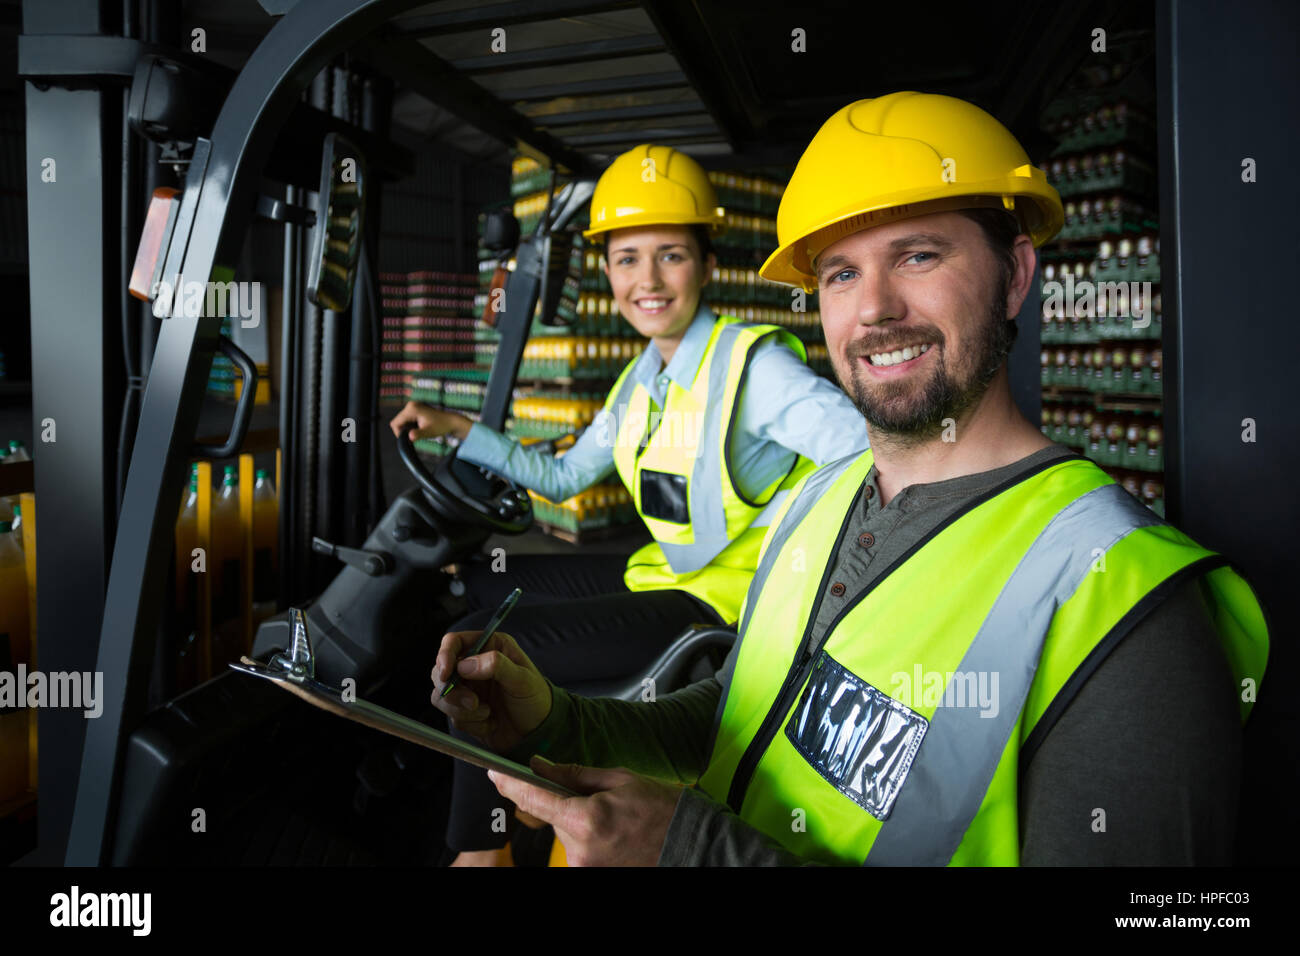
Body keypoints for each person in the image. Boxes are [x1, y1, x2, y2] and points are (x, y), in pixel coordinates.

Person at [428, 92, 1269, 866]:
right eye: (840, 273)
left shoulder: (1124, 607)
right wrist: (562, 720)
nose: (873, 308)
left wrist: (693, 853)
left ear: (1015, 275)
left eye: (917, 255)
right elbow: (740, 719)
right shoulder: (820, 504)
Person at [390, 144, 870, 865]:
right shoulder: (641, 381)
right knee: (463, 584)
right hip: (666, 573)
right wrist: (462, 431)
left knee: (483, 641)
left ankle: (481, 852)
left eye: (671, 255)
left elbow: (871, 456)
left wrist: (792, 551)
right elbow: (562, 478)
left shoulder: (752, 366)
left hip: (728, 608)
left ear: (706, 265)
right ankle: (503, 789)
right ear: (606, 272)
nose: (647, 279)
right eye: (626, 258)